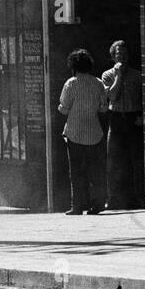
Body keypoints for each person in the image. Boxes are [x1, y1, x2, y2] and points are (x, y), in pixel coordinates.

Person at [58, 48, 108, 215]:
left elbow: (64, 109)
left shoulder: (70, 84)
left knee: (77, 172)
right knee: (96, 170)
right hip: (95, 132)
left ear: (73, 66)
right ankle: (98, 203)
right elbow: (103, 108)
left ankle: (78, 205)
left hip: (74, 132)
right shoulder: (99, 83)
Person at [101, 40, 143, 209]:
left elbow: (142, 98)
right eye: (119, 55)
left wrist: (141, 117)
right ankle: (113, 199)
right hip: (116, 118)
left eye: (125, 55)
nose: (122, 58)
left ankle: (138, 197)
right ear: (113, 57)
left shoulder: (137, 75)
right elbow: (111, 97)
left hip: (133, 118)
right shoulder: (107, 75)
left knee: (135, 159)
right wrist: (118, 76)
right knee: (114, 160)